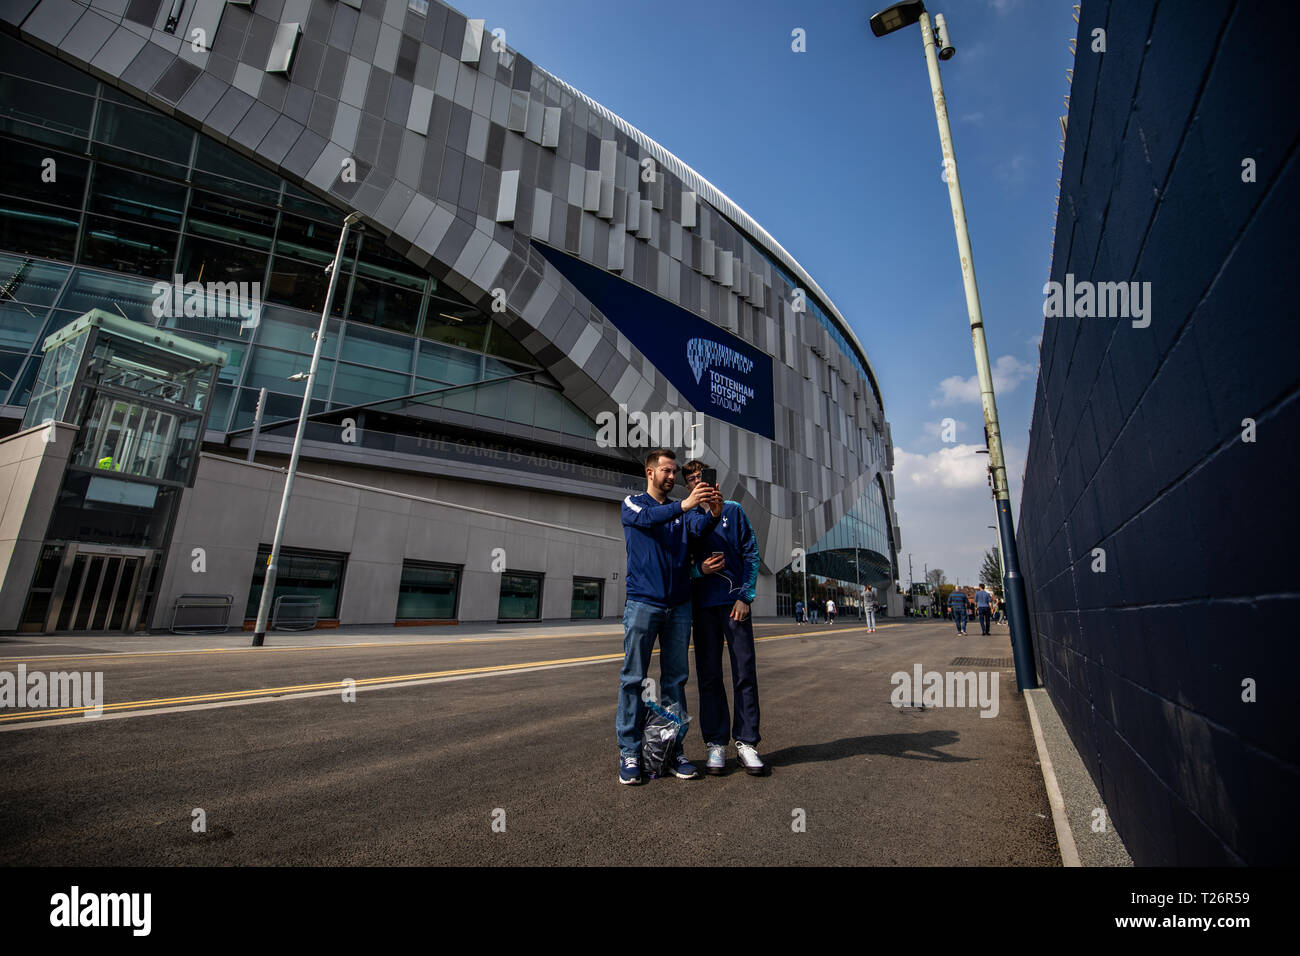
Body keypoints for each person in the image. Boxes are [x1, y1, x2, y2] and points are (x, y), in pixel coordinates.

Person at [616, 448, 720, 785]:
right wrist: (685, 505)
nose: (673, 477)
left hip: (679, 607)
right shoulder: (633, 504)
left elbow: (698, 526)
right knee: (634, 679)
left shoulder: (683, 513)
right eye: (666, 471)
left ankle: (672, 750)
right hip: (643, 604)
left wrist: (713, 513)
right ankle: (630, 751)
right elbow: (648, 520)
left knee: (675, 682)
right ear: (650, 472)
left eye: (675, 472)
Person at [682, 460, 765, 776]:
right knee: (709, 676)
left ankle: (746, 742)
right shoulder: (687, 517)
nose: (695, 482)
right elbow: (681, 562)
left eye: (701, 477)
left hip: (735, 606)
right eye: (690, 479)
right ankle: (715, 742)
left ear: (713, 480)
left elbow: (751, 554)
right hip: (703, 607)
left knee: (744, 672)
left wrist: (746, 596)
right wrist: (698, 570)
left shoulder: (733, 510)